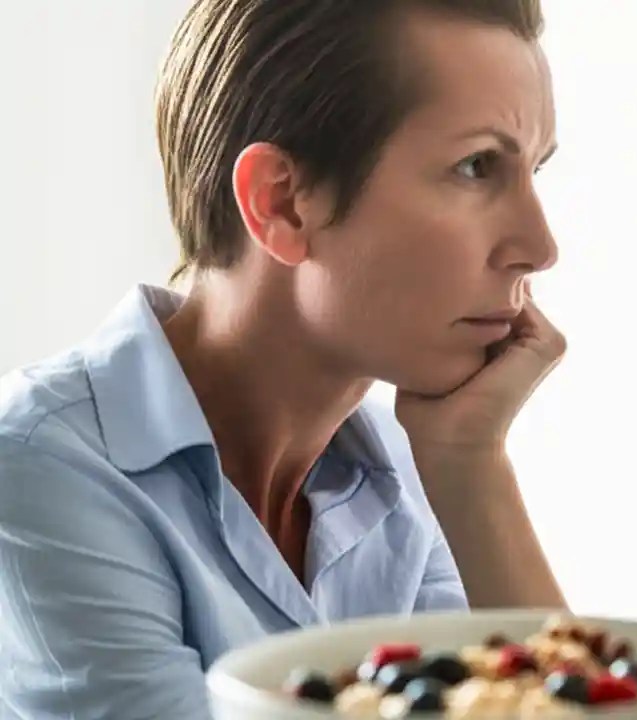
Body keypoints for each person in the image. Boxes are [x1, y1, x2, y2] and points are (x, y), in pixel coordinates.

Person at [0, 0, 565, 716]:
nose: (540, 247)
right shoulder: (40, 467)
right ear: (282, 204)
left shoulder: (405, 470)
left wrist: (472, 466)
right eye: (476, 166)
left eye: (535, 171)